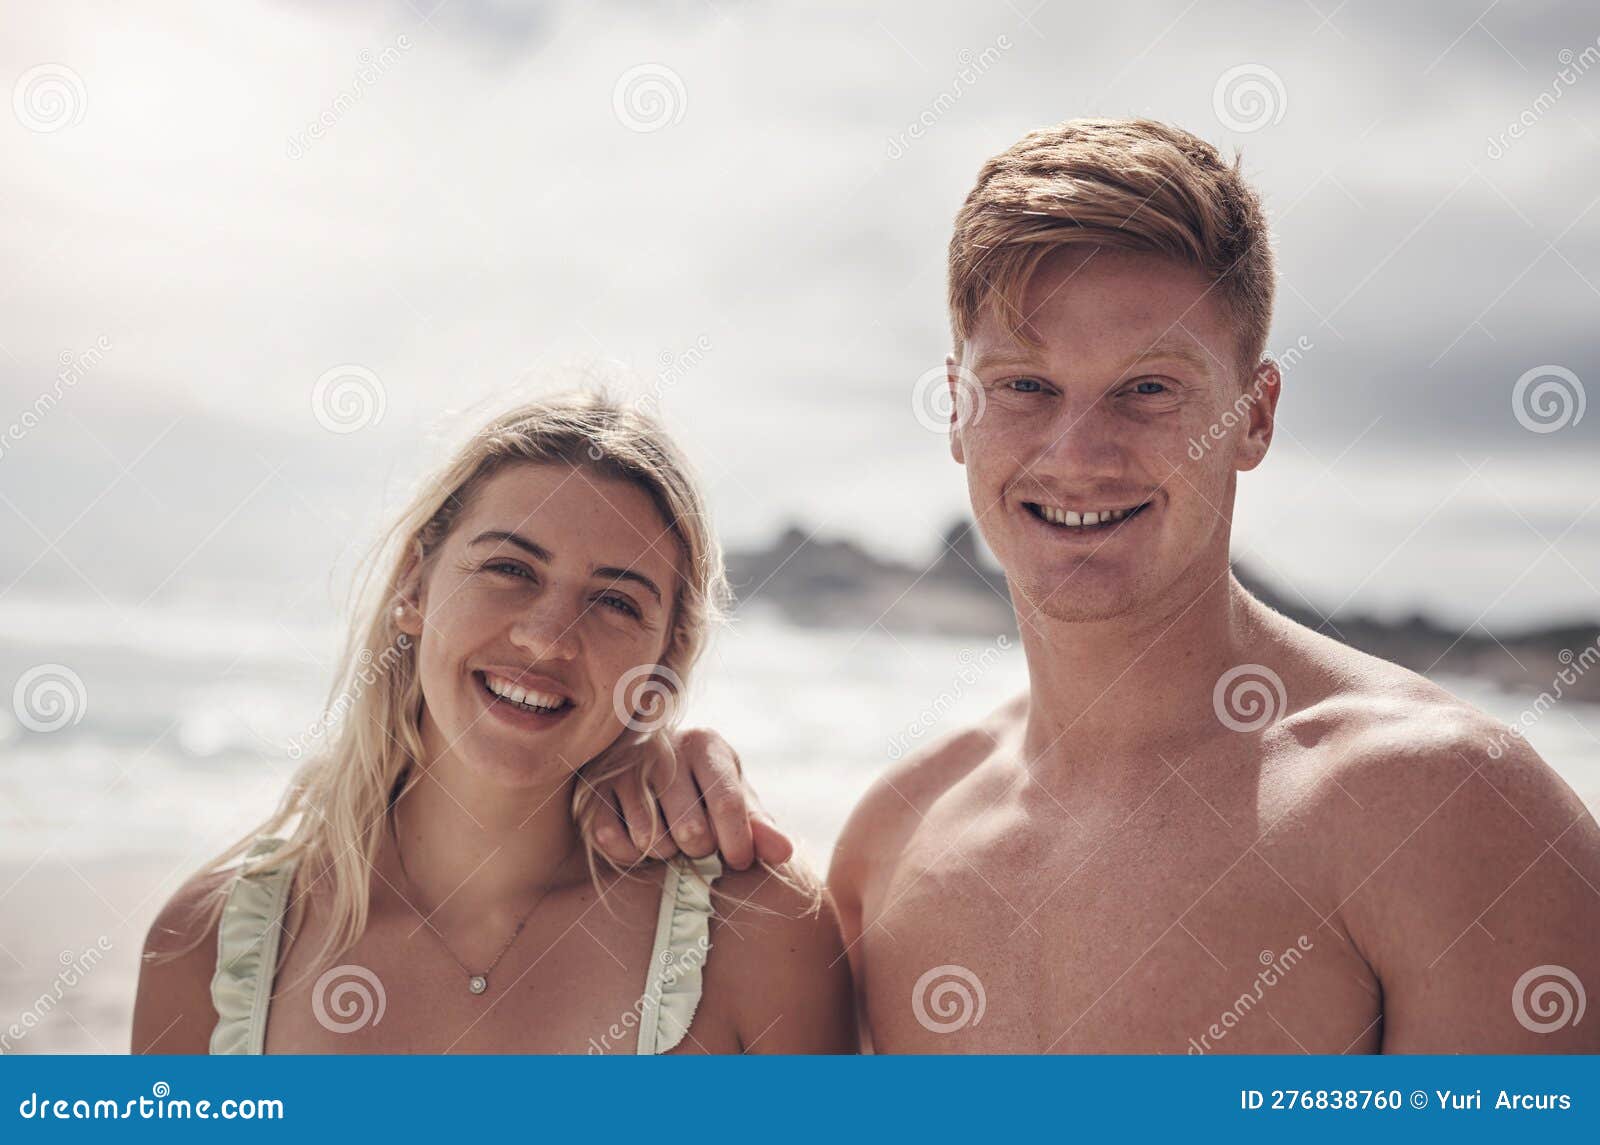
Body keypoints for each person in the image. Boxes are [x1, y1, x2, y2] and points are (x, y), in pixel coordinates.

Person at [597, 118, 1600, 1053]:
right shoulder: (890, 845)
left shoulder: (1444, 810)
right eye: (1026, 386)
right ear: (955, 406)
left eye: (1149, 389)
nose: (1079, 454)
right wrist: (601, 790)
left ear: (1253, 416)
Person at [132, 393, 853, 1054]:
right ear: (415, 587)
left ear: (664, 664)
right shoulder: (207, 945)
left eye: (616, 602)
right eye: (511, 568)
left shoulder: (756, 932)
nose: (548, 638)